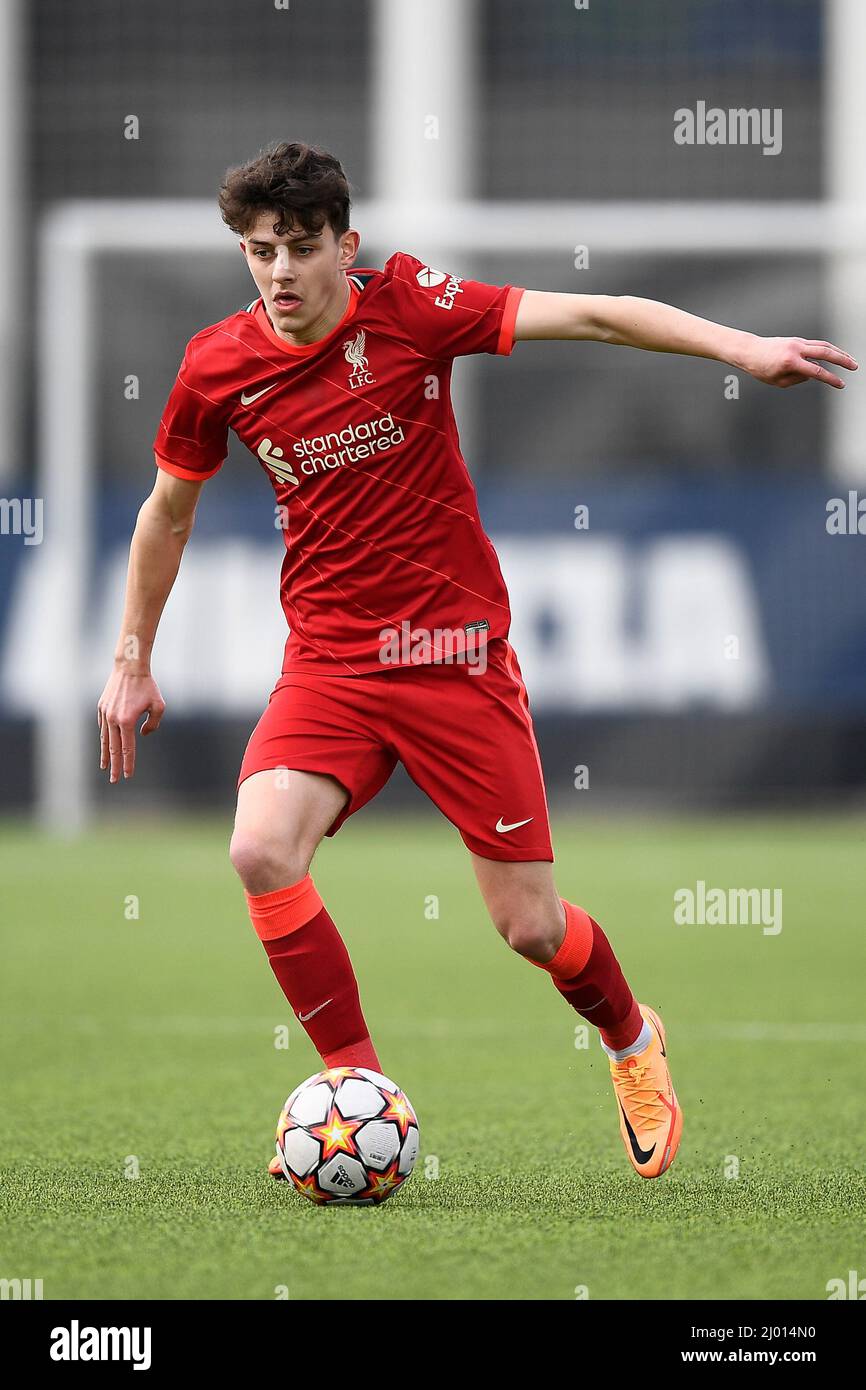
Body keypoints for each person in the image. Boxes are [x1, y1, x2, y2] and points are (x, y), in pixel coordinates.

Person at [97, 140, 857, 1181]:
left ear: (344, 246)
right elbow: (165, 515)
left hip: (453, 656)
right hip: (330, 664)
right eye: (259, 250)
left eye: (301, 247)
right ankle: (352, 1092)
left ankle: (633, 1039)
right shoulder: (214, 365)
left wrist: (738, 350)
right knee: (260, 849)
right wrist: (131, 655)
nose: (279, 272)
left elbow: (594, 313)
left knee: (530, 927)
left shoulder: (412, 306)